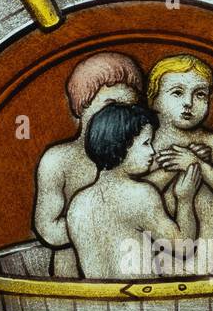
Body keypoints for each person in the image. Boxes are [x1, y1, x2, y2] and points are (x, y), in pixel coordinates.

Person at [33, 52, 145, 276]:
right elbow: (48, 229)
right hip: (74, 277)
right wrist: (101, 224)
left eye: (128, 108)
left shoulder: (136, 157)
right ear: (82, 104)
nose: (118, 116)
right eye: (111, 105)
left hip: (130, 272)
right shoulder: (58, 160)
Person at [66, 102, 202, 279]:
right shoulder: (141, 194)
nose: (152, 151)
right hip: (140, 296)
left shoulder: (78, 203)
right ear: (121, 144)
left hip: (99, 296)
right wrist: (185, 198)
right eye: (146, 143)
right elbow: (184, 247)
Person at [144, 54, 213, 276]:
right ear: (154, 99)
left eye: (200, 94)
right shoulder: (144, 146)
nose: (188, 103)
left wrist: (199, 165)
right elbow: (130, 200)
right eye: (177, 92)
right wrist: (173, 169)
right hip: (157, 269)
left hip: (211, 267)